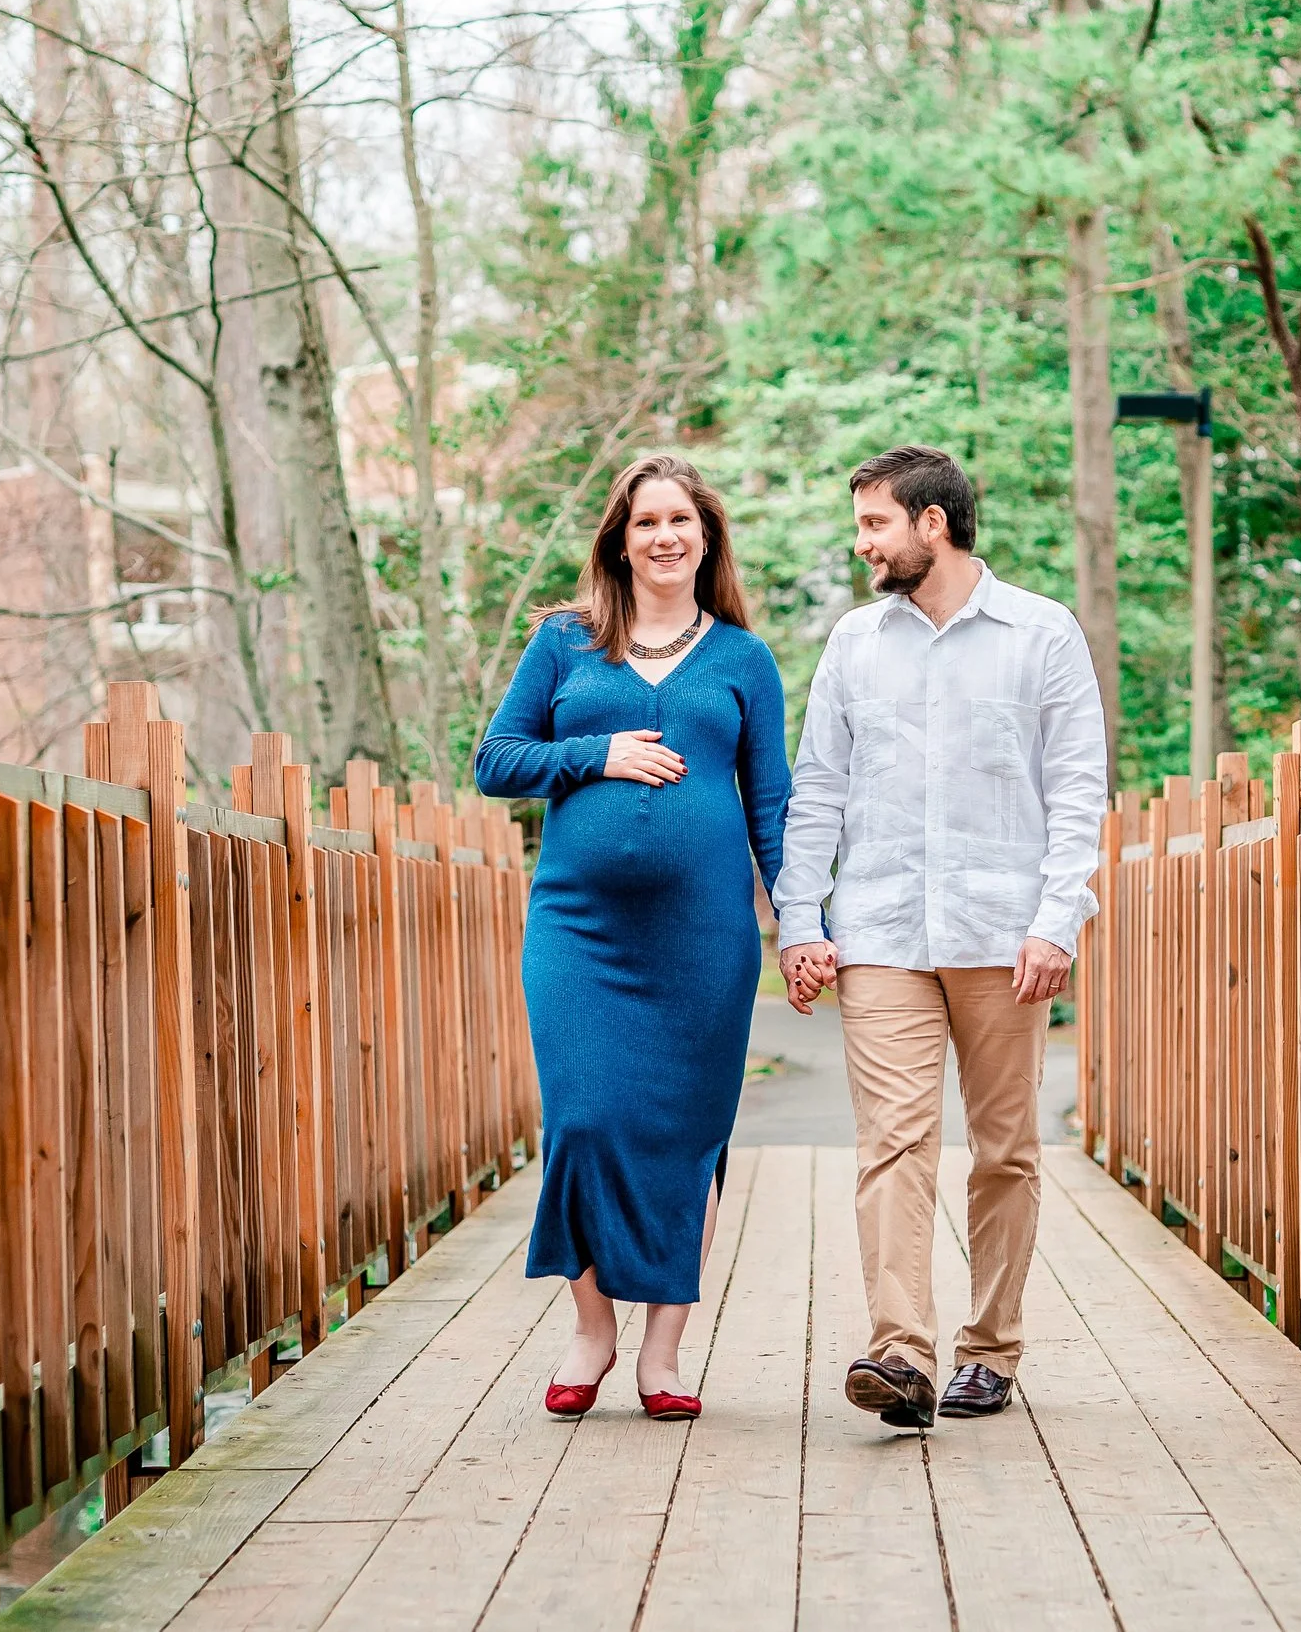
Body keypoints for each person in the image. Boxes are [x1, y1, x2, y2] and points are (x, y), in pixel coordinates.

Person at [774, 444, 1108, 1430]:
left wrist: (1058, 917)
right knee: (894, 1141)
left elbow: (1077, 784)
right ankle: (900, 1352)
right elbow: (819, 787)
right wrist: (802, 919)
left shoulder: (1041, 634)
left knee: (1004, 1147)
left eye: (874, 522)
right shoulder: (853, 641)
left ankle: (990, 1349)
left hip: (1004, 935)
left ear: (933, 522)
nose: (861, 542)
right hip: (878, 930)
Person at [474, 453, 791, 1422]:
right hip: (580, 928)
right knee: (583, 1120)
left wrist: (805, 928)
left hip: (703, 939)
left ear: (706, 537)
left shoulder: (741, 657)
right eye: (645, 520)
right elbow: (495, 759)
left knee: (685, 1139)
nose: (664, 536)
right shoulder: (564, 642)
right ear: (619, 536)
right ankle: (590, 1325)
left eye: (681, 521)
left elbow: (771, 804)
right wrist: (596, 753)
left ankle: (661, 1349)